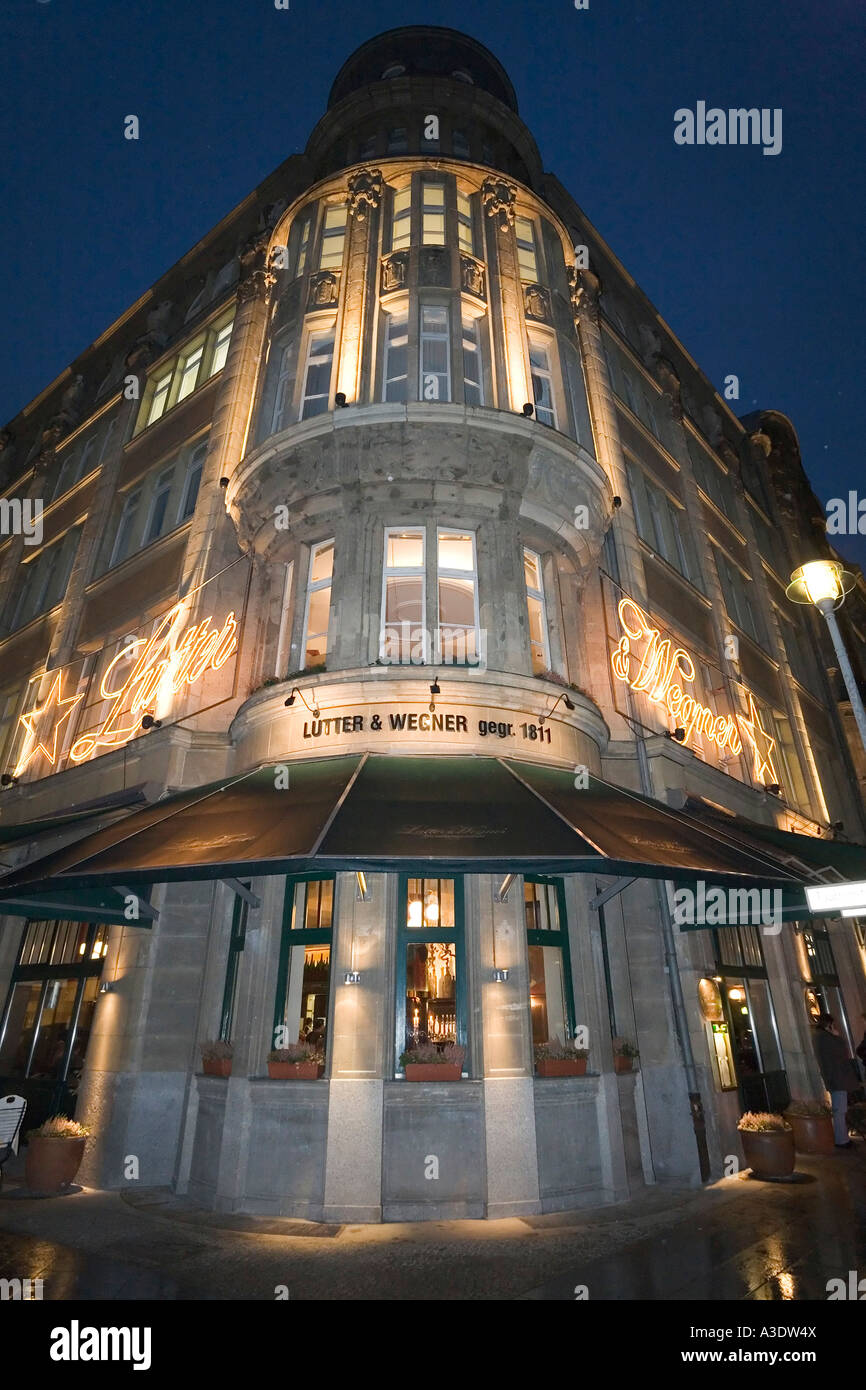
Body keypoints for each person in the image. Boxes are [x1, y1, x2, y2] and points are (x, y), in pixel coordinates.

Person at [812, 1014, 860, 1148]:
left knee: (839, 1109)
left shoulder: (820, 1038)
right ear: (829, 1025)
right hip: (837, 1078)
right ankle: (841, 1139)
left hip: (835, 1078)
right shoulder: (826, 1038)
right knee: (840, 1110)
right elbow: (841, 1051)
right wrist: (837, 1036)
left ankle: (842, 1138)